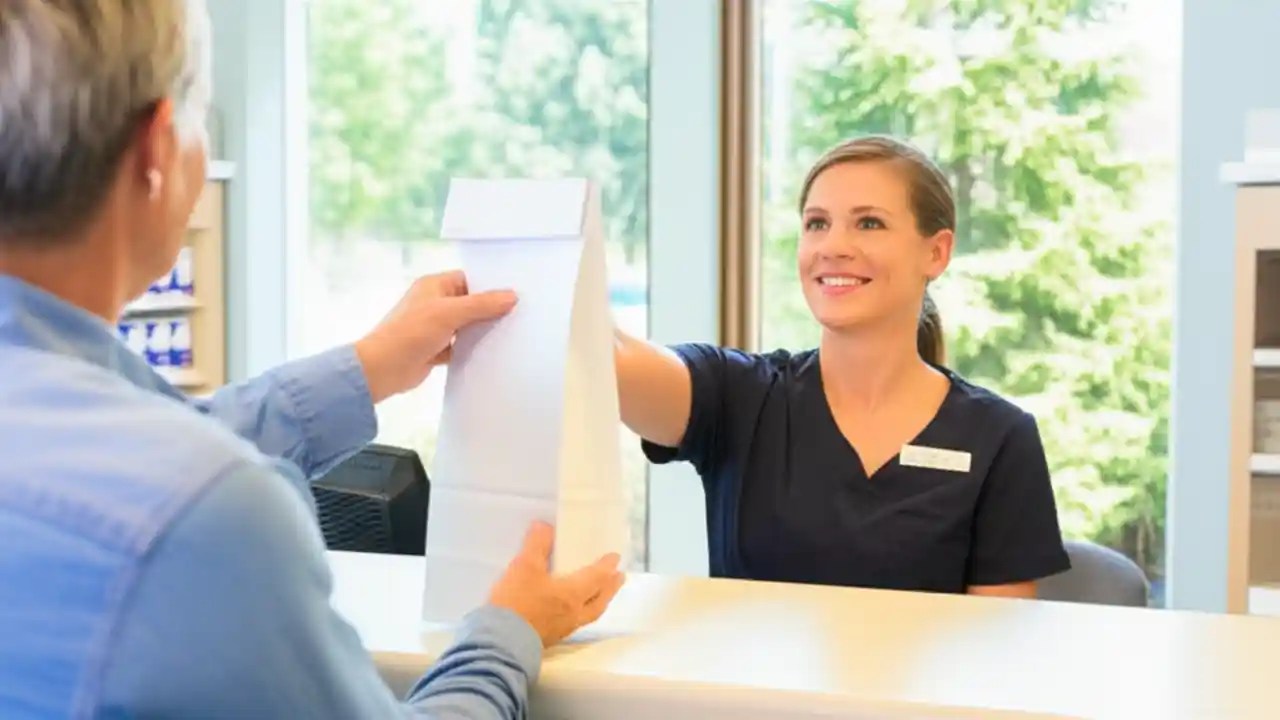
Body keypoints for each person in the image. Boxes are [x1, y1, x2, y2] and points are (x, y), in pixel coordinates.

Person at [0, 1, 623, 718]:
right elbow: (170, 491)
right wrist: (505, 633)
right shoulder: (209, 522)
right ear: (157, 151)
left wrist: (367, 367)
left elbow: (130, 450)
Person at [616, 135, 1070, 597]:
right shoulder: (738, 396)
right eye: (816, 224)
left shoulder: (998, 438)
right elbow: (609, 360)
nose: (833, 246)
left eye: (869, 223)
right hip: (749, 674)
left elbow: (993, 652)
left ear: (936, 252)